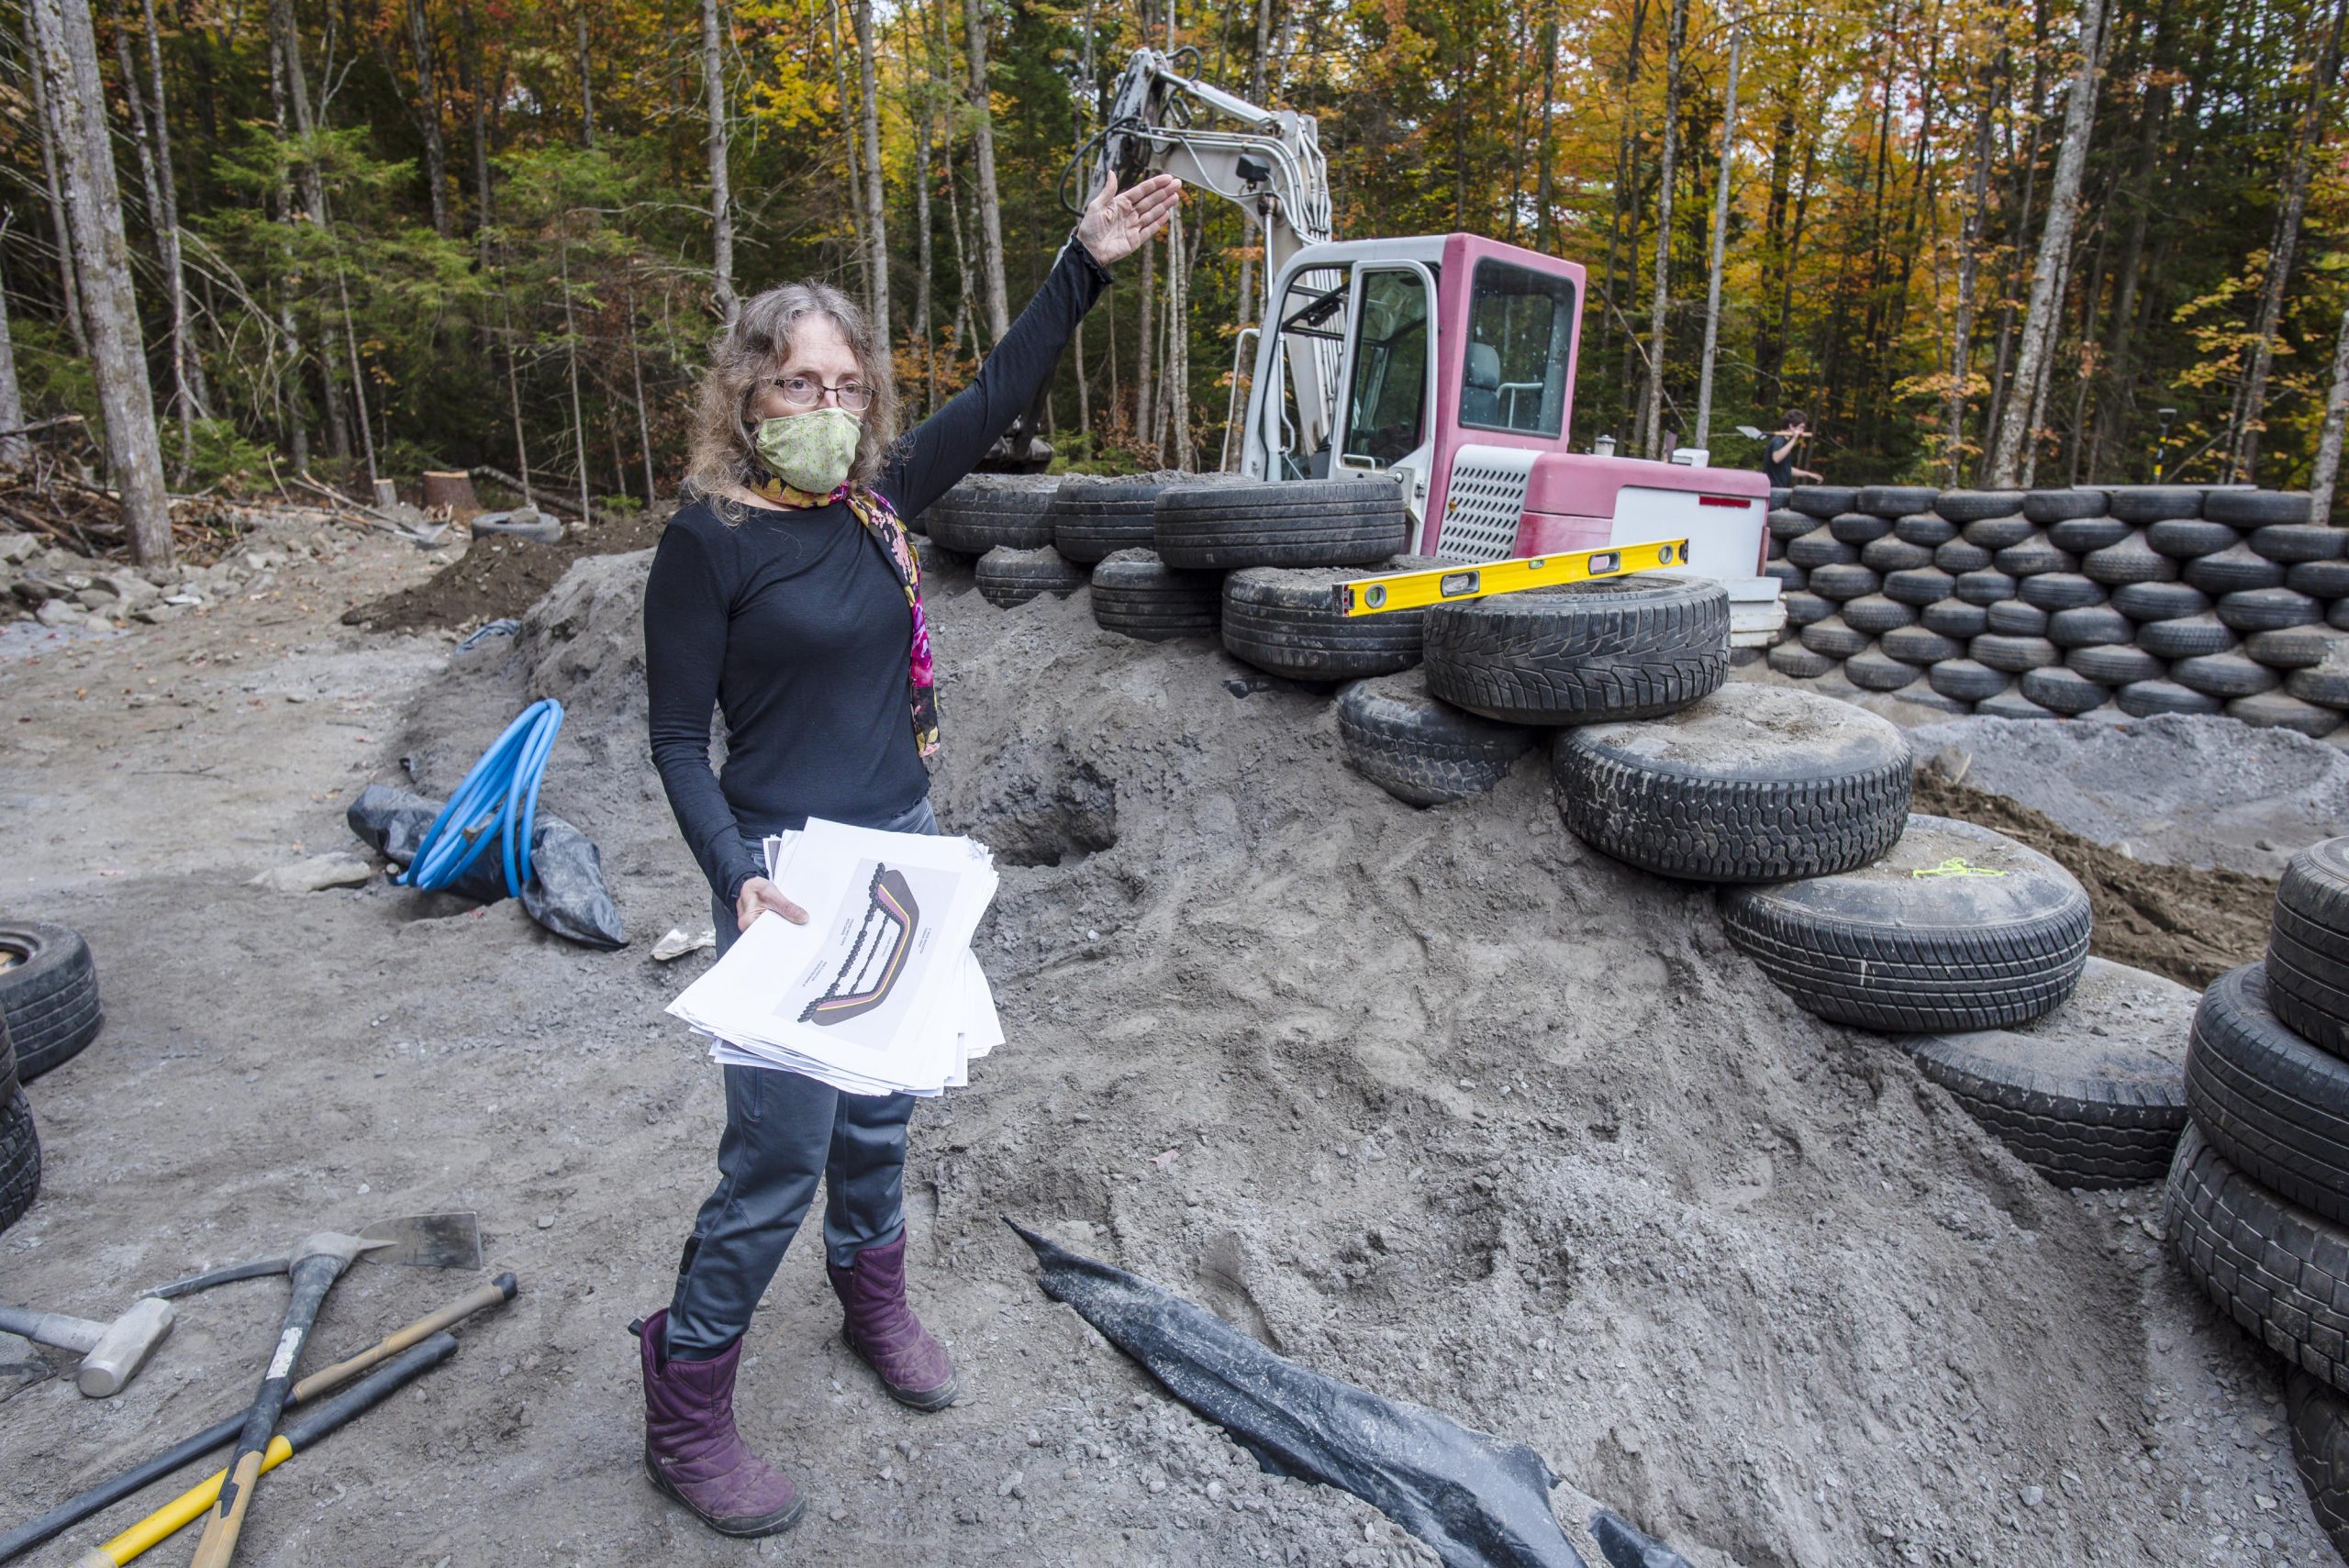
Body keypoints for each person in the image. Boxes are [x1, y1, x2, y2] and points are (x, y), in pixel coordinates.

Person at [636, 169, 1181, 1540]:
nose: (825, 411)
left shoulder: (879, 503)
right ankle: (686, 1399)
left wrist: (1085, 262)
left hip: (903, 855)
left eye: (843, 387)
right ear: (745, 399)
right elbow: (674, 742)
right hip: (785, 872)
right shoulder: (708, 543)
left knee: (883, 1115)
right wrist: (731, 873)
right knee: (776, 1153)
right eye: (795, 387)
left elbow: (999, 394)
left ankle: (872, 1299)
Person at [1764, 409, 1821, 488]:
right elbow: (1776, 458)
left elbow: (1786, 469)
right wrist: (1794, 438)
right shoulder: (1778, 440)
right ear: (1791, 426)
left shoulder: (1786, 442)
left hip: (1781, 489)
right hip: (1774, 489)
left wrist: (1808, 474)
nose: (1803, 431)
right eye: (1801, 427)